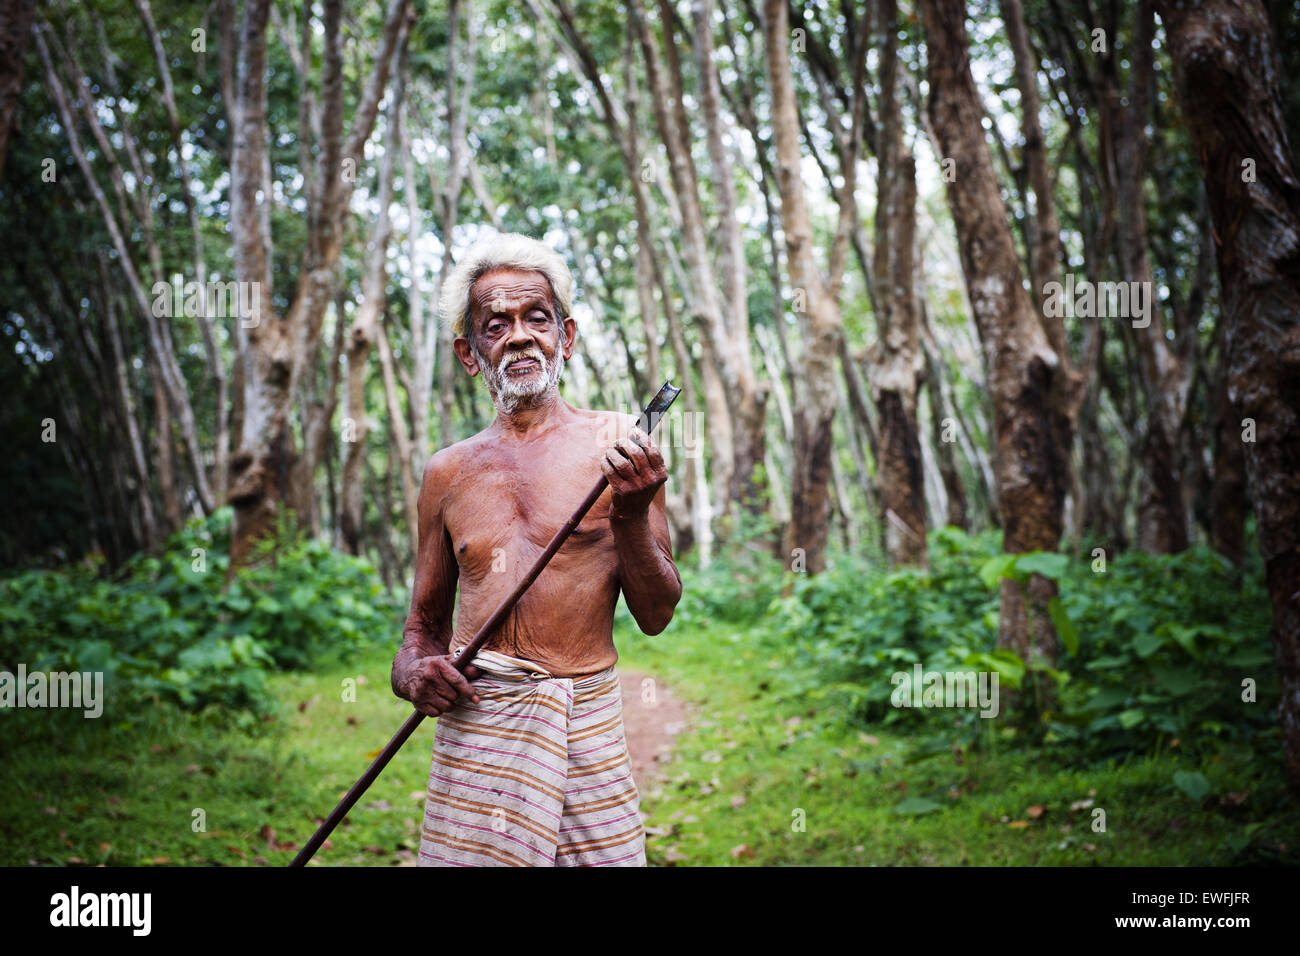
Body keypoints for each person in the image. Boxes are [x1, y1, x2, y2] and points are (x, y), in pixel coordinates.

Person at [391, 232, 682, 867]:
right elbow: (422, 631)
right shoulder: (447, 473)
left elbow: (657, 614)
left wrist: (630, 517)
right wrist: (415, 674)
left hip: (585, 720)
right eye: (497, 324)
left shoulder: (621, 444)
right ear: (471, 354)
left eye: (537, 318)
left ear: (566, 338)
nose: (520, 335)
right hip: (480, 728)